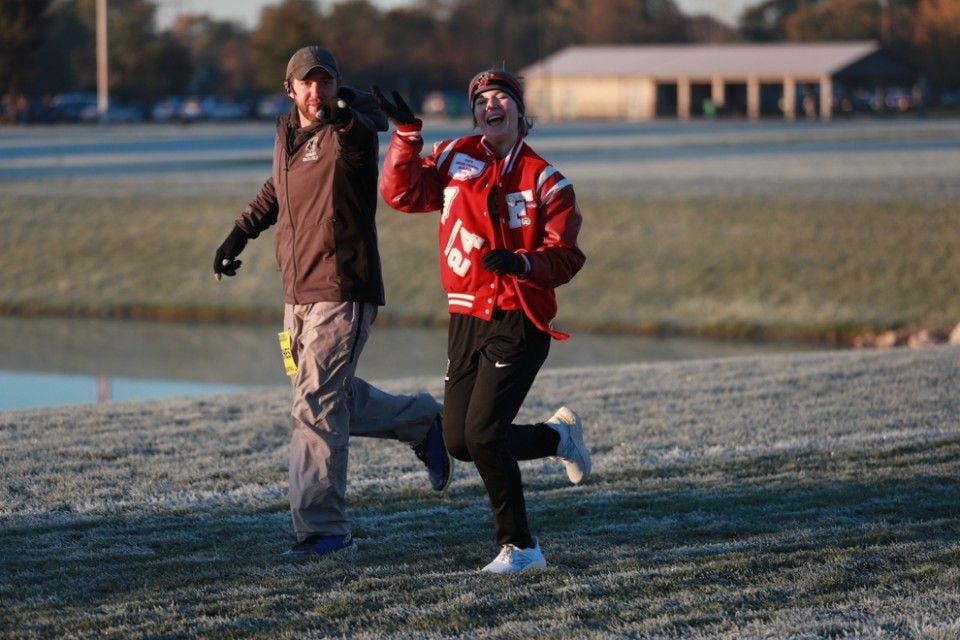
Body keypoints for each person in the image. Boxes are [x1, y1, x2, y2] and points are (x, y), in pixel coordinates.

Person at [212, 45, 452, 560]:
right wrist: (238, 235)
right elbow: (276, 191)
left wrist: (346, 118)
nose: (316, 91)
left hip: (342, 287)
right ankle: (421, 422)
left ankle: (324, 530)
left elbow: (362, 143)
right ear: (290, 88)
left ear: (335, 85)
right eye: (307, 83)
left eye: (325, 82)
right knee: (321, 396)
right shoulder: (286, 134)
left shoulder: (350, 128)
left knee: (315, 406)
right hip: (296, 292)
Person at [373, 69, 590, 574]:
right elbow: (401, 195)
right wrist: (406, 136)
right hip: (466, 315)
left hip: (520, 317)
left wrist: (522, 263)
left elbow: (567, 256)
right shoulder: (453, 156)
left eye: (501, 98)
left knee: (485, 434)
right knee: (459, 442)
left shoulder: (548, 180)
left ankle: (522, 548)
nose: (491, 106)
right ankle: (557, 439)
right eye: (481, 101)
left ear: (519, 110)